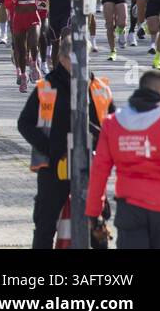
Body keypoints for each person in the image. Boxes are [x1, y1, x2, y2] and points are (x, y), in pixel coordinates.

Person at [17, 30, 113, 248]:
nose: (83, 64)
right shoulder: (47, 86)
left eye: (87, 58)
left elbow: (113, 125)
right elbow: (25, 123)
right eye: (78, 59)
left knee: (96, 223)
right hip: (53, 166)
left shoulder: (98, 87)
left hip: (90, 165)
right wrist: (49, 148)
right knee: (45, 224)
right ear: (62, 58)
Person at [85, 69, 160, 248]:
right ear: (156, 91)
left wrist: (93, 211)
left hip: (129, 208)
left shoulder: (113, 123)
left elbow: (99, 170)